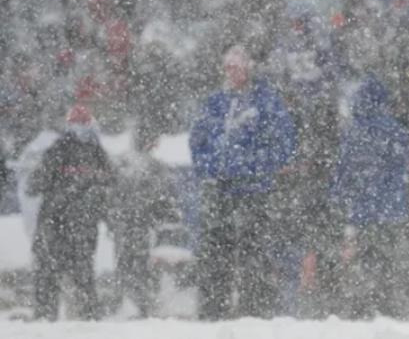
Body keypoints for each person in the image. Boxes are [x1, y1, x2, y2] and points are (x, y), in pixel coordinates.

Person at [189, 45, 297, 320]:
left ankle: (255, 313)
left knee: (254, 254)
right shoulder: (215, 102)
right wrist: (211, 168)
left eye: (237, 67)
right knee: (215, 253)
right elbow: (197, 141)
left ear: (249, 68)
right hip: (220, 189)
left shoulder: (267, 102)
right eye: (228, 68)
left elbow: (283, 143)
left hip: (254, 189)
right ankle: (213, 313)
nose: (232, 73)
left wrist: (254, 167)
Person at [331, 73, 409, 319]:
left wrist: (338, 196)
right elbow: (401, 167)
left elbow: (343, 171)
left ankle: (361, 310)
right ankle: (388, 309)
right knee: (387, 262)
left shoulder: (353, 133)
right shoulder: (394, 130)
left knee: (362, 263)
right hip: (389, 210)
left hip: (361, 211)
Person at [28, 104, 113, 321]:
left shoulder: (94, 152)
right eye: (78, 123)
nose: (81, 128)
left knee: (71, 273)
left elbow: (111, 184)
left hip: (73, 224)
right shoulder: (62, 150)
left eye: (83, 123)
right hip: (60, 223)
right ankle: (55, 321)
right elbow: (34, 184)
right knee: (59, 273)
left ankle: (80, 321)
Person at [108, 135, 178, 318]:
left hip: (125, 224)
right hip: (142, 224)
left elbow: (111, 194)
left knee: (124, 264)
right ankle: (143, 305)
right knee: (141, 265)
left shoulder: (122, 162)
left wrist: (113, 217)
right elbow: (166, 198)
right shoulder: (156, 167)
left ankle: (123, 303)